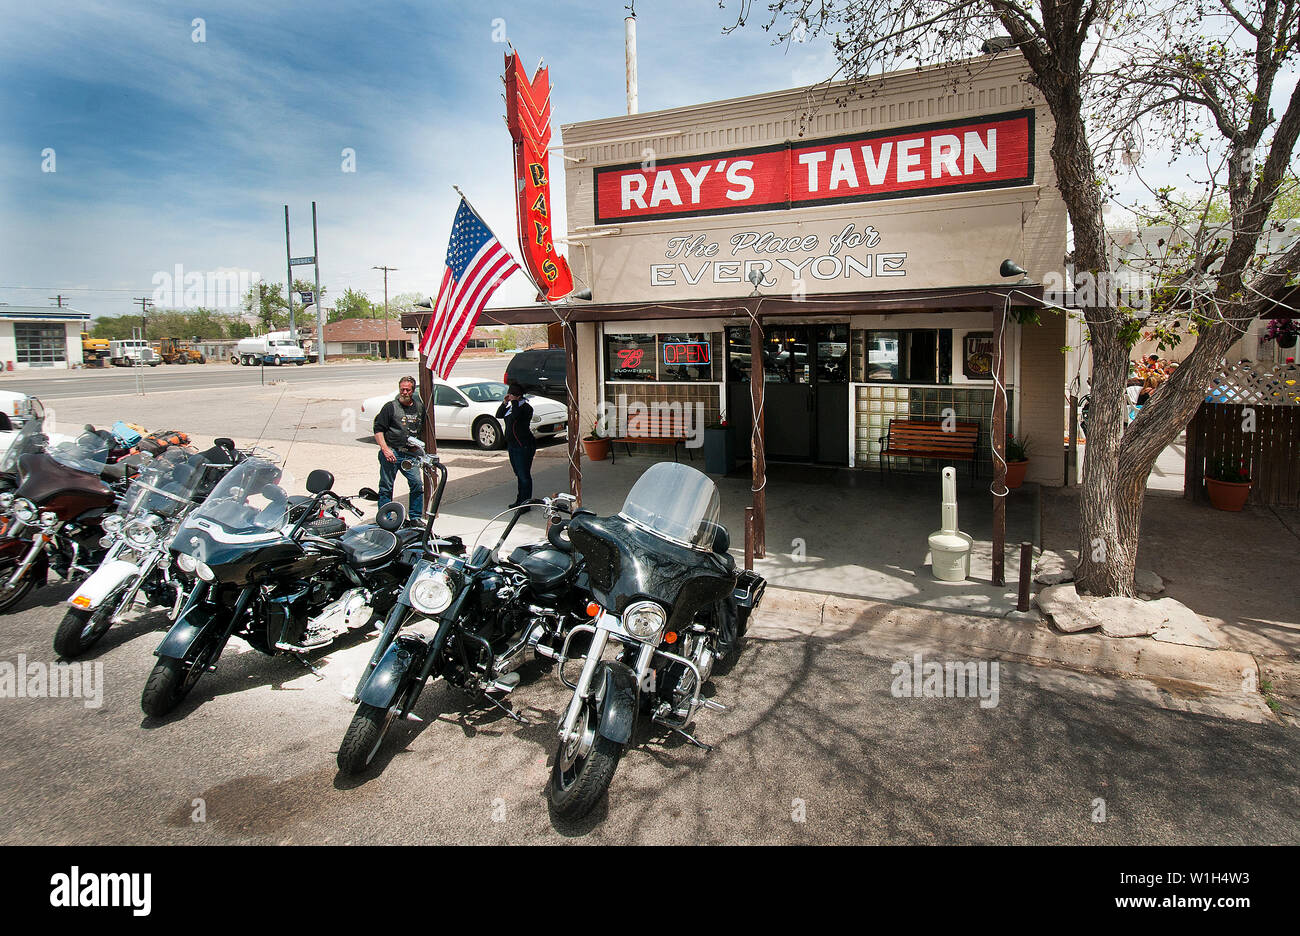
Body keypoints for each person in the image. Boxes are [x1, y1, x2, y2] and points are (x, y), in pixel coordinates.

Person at [372, 376, 425, 521]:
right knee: (386, 487)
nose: (404, 392)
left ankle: (415, 518)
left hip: (410, 454)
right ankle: (384, 519)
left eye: (408, 390)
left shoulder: (419, 407)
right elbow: (378, 430)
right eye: (402, 389)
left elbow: (423, 430)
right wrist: (385, 449)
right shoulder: (390, 407)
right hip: (392, 453)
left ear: (413, 391)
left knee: (417, 484)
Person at [496, 381, 537, 509]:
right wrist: (505, 403)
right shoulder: (511, 407)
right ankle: (520, 500)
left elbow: (516, 416)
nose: (510, 396)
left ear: (518, 396)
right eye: (509, 394)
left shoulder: (525, 408)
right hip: (512, 445)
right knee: (518, 473)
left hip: (523, 445)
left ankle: (526, 503)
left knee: (524, 475)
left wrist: (514, 403)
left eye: (513, 395)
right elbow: (499, 415)